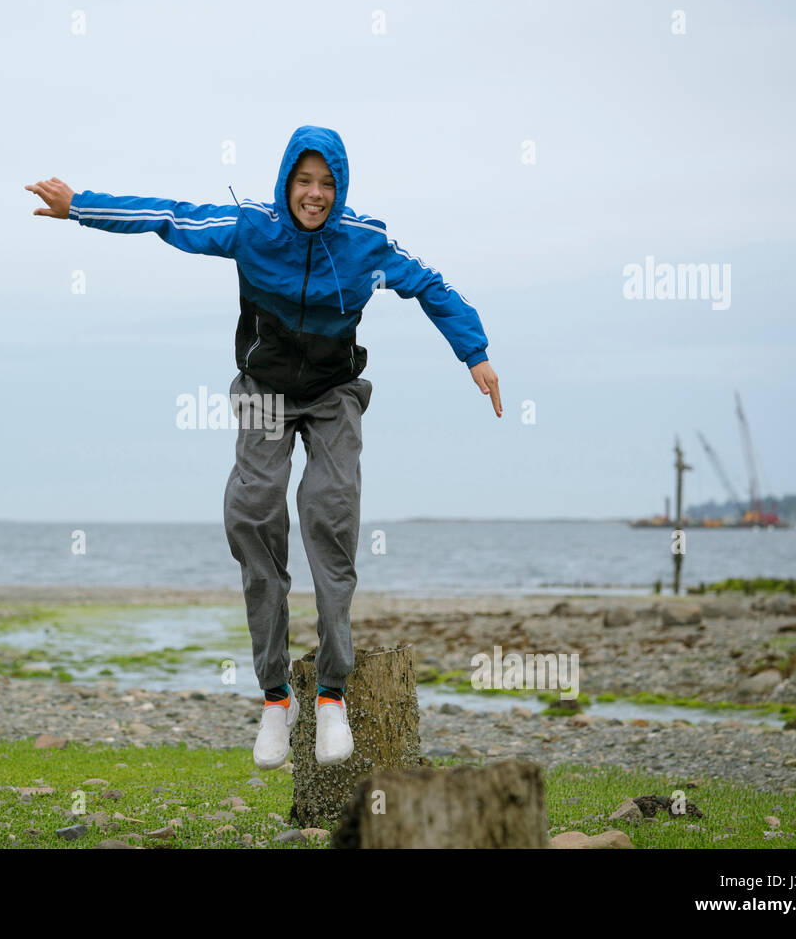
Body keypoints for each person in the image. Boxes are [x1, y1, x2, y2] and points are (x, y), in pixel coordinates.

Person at [26, 125, 500, 770]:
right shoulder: (253, 228)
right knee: (251, 512)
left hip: (334, 395)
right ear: (286, 183)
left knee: (330, 516)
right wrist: (80, 206)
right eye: (304, 181)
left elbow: (433, 286)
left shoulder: (366, 242)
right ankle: (277, 697)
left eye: (327, 183)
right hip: (263, 392)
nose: (315, 194)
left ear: (341, 188)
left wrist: (476, 353)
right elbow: (170, 217)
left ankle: (330, 693)